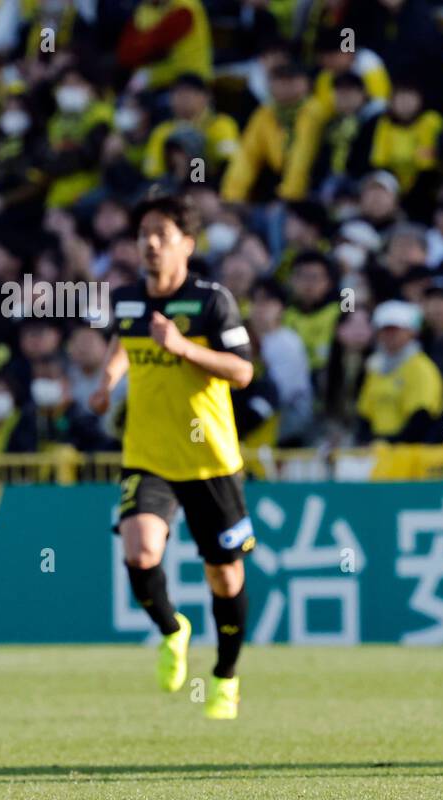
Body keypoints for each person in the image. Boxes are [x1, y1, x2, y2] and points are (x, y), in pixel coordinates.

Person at [89, 193, 255, 720]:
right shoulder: (127, 300)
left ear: (187, 243)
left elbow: (242, 371)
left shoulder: (212, 301)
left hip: (209, 459)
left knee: (224, 577)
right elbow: (123, 342)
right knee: (140, 553)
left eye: (161, 234)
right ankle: (171, 628)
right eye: (143, 234)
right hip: (148, 454)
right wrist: (107, 380)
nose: (150, 244)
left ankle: (225, 677)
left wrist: (183, 348)